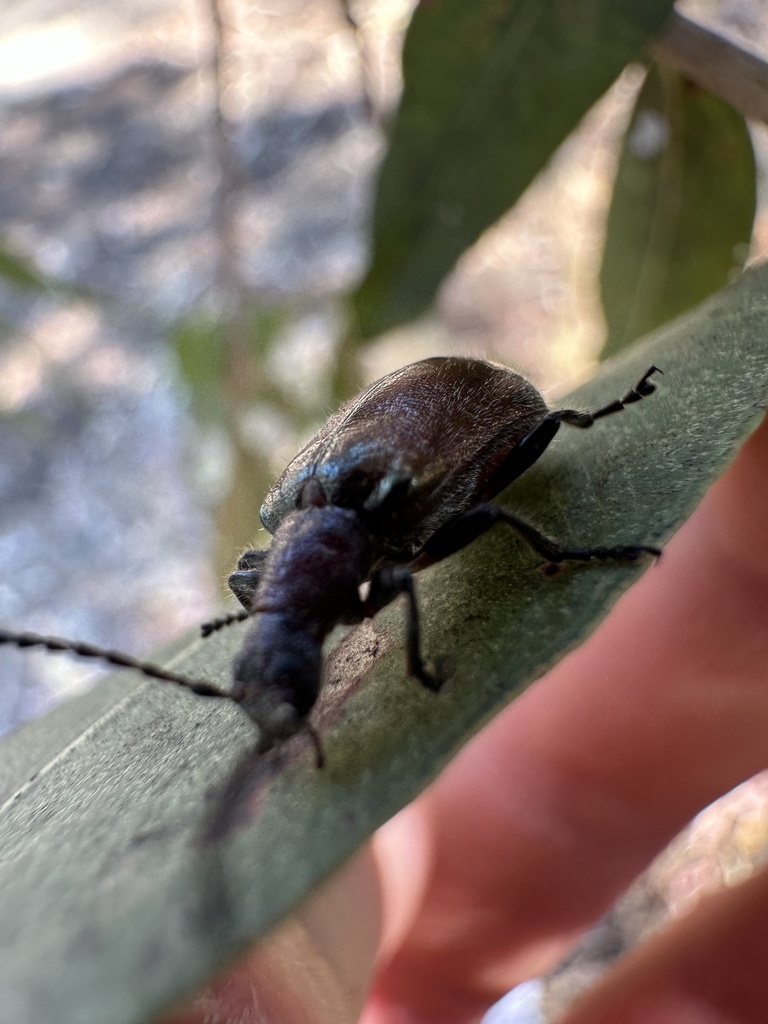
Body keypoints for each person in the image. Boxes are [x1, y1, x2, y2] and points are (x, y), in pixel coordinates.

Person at [168, 415, 768, 1024]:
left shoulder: (376, 531)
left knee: (499, 504)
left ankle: (567, 526)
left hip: (478, 409)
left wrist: (416, 665)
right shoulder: (296, 536)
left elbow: (411, 569)